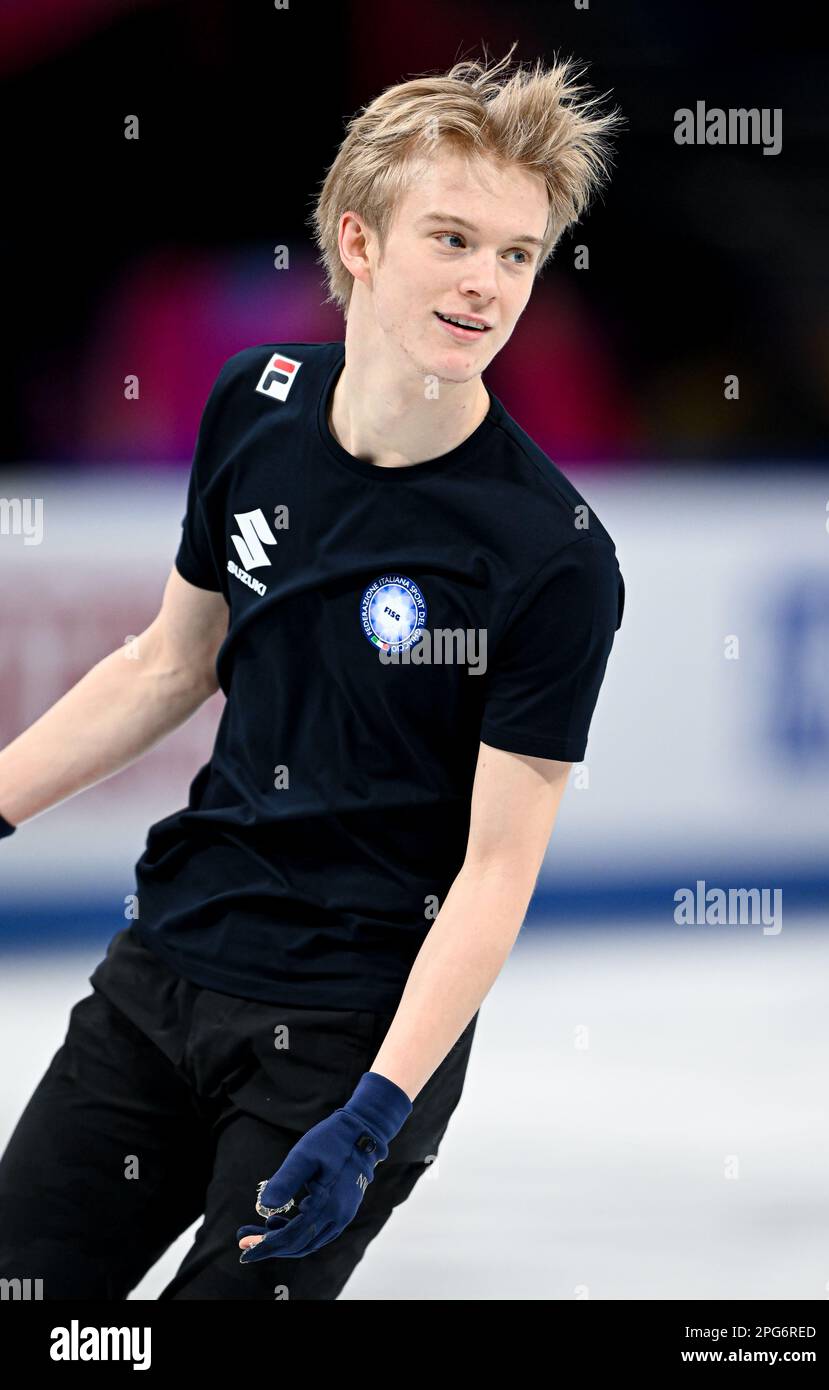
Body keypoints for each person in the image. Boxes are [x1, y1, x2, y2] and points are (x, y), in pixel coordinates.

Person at [0, 44, 625, 1299]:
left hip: (342, 1040)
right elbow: (167, 663)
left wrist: (378, 1106)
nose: (487, 284)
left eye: (517, 255)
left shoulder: (548, 554)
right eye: (452, 239)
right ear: (357, 241)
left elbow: (496, 866)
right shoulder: (255, 403)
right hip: (163, 976)